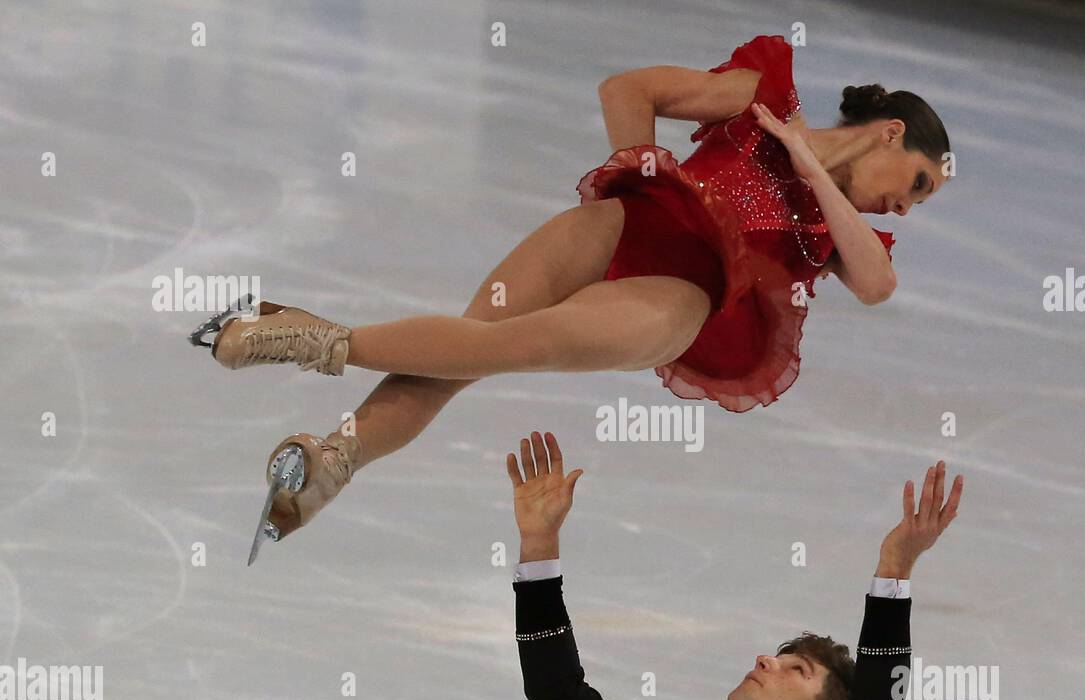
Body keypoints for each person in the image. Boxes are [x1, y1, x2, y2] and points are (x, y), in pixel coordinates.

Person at [189, 35, 951, 562]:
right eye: (917, 183)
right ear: (889, 133)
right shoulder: (762, 96)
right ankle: (332, 462)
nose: (907, 209)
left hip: (677, 297)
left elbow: (878, 287)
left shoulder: (843, 234)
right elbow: (628, 89)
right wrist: (638, 167)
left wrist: (807, 165)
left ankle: (305, 338)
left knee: (504, 346)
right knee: (458, 352)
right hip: (621, 224)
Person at [507, 431, 962, 700]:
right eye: (778, 658)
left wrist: (895, 567)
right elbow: (556, 690)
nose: (766, 661)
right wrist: (540, 543)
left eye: (796, 669)